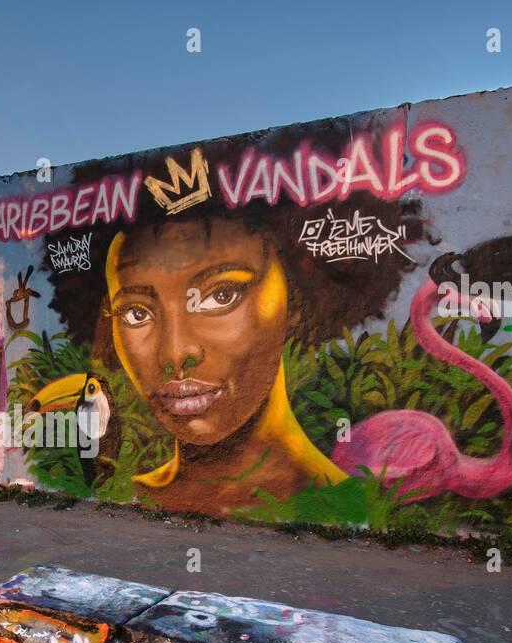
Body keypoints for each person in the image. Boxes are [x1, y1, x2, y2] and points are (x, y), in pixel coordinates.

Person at [45, 128, 421, 514]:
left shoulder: (352, 509)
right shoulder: (129, 497)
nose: (176, 352)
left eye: (220, 295)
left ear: (296, 297)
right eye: (137, 313)